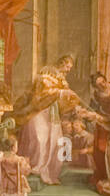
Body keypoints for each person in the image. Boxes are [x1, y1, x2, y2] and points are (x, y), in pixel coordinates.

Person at [13, 55, 81, 185]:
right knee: (40, 139)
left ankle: (50, 172)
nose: (68, 70)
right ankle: (35, 168)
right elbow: (40, 96)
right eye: (67, 67)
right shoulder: (44, 77)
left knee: (56, 141)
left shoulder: (62, 81)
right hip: (39, 112)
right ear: (61, 64)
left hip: (52, 113)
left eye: (70, 68)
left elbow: (64, 98)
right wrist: (60, 93)